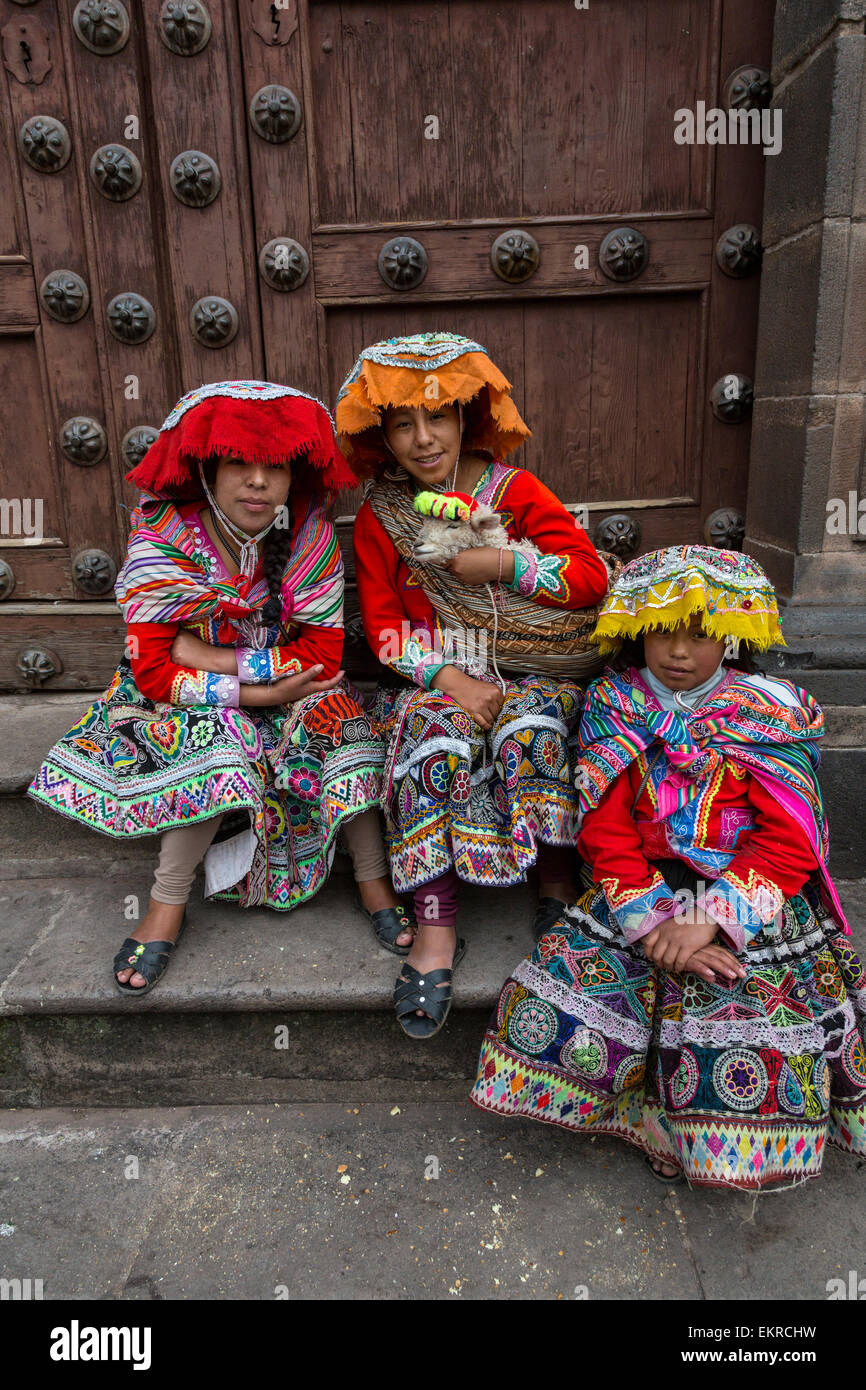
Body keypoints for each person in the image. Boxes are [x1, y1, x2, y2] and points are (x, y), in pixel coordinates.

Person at [470, 544, 866, 1189]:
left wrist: (710, 920)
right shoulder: (615, 702)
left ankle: (715, 1140)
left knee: (732, 1003)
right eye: (661, 632)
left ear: (735, 636)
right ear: (636, 629)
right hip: (639, 885)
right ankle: (645, 1121)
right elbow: (604, 825)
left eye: (700, 635)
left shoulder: (771, 711)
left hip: (745, 891)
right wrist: (654, 920)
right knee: (597, 984)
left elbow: (790, 838)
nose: (678, 652)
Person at [28, 380, 414, 994]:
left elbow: (321, 656)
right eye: (239, 462)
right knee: (218, 735)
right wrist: (260, 691)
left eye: (274, 466)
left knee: (338, 716)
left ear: (293, 476)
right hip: (176, 700)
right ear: (207, 470)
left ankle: (372, 879)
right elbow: (155, 674)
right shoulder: (164, 536)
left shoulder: (308, 534)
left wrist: (206, 653)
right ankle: (166, 903)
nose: (258, 481)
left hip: (264, 683)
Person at [336, 331, 612, 1039]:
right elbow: (386, 628)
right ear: (384, 436)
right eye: (403, 424)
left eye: (438, 418)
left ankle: (554, 890)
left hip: (533, 668)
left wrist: (506, 566)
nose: (423, 439)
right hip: (441, 674)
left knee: (536, 732)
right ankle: (434, 930)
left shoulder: (514, 492)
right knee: (433, 747)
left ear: (466, 420)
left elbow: (590, 578)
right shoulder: (380, 518)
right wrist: (452, 680)